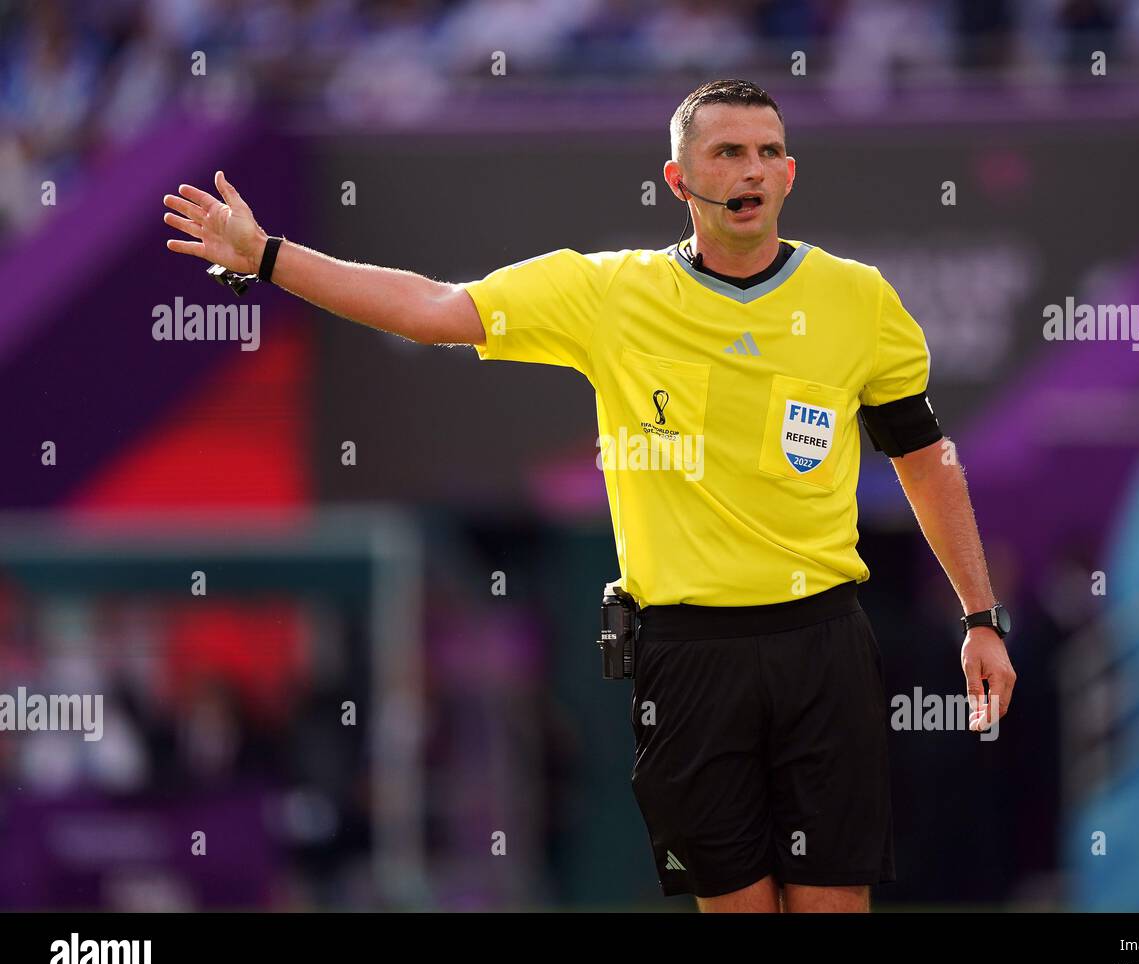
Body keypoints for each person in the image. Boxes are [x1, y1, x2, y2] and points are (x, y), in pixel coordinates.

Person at [162, 78, 1016, 914]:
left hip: (822, 640)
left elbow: (925, 459)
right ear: (680, 181)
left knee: (833, 902)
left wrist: (980, 615)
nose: (751, 170)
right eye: (727, 153)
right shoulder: (608, 293)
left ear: (789, 174)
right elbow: (432, 309)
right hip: (686, 653)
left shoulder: (857, 299)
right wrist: (269, 257)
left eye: (768, 152)